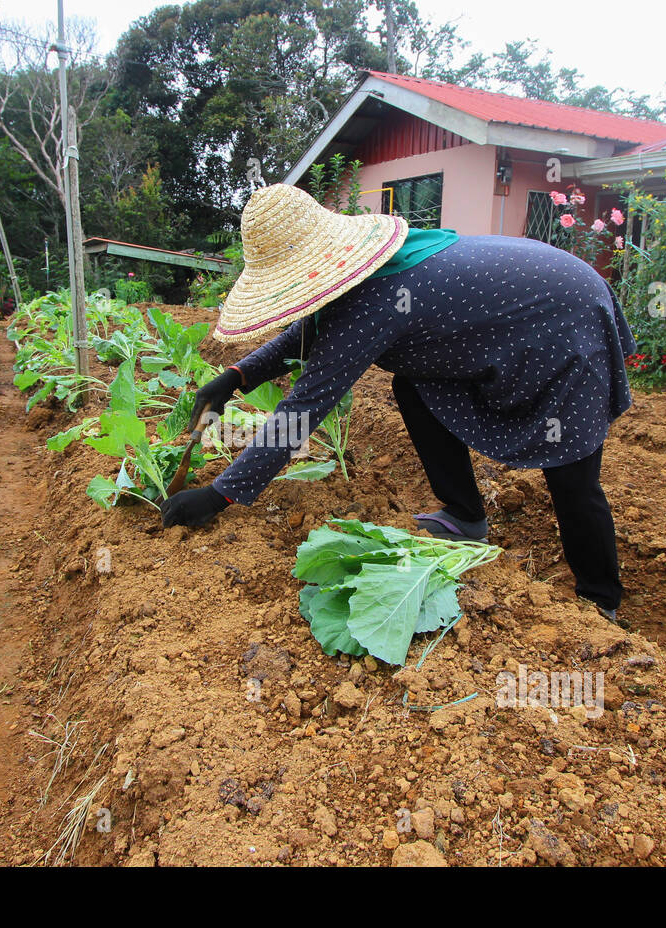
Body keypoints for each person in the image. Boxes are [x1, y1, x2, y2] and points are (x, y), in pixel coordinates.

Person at [161, 184, 635, 620]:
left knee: (572, 472)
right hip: (535, 303)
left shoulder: (378, 299)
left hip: (566, 320)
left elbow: (302, 410)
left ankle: (599, 599)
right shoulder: (369, 270)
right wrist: (237, 375)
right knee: (414, 386)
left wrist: (219, 495)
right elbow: (314, 330)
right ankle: (466, 517)